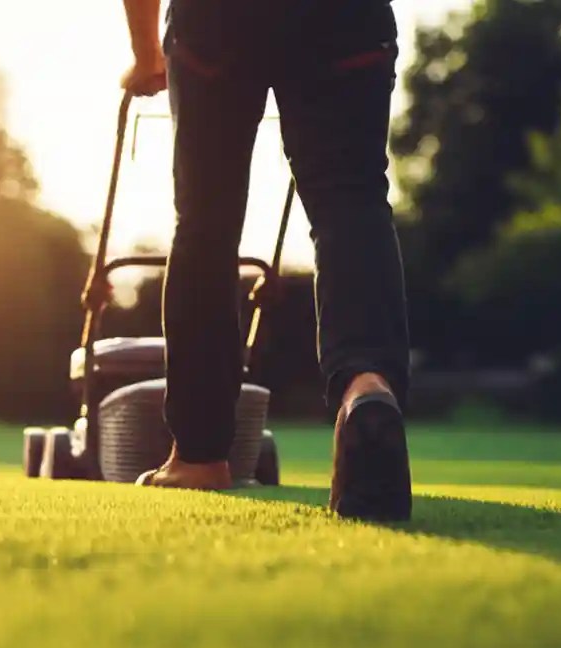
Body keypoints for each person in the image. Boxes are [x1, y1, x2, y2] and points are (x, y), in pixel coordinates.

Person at [123, 0, 412, 521]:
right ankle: (366, 389)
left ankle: (200, 456)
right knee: (351, 199)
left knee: (206, 223)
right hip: (346, 21)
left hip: (218, 22)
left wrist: (147, 56)